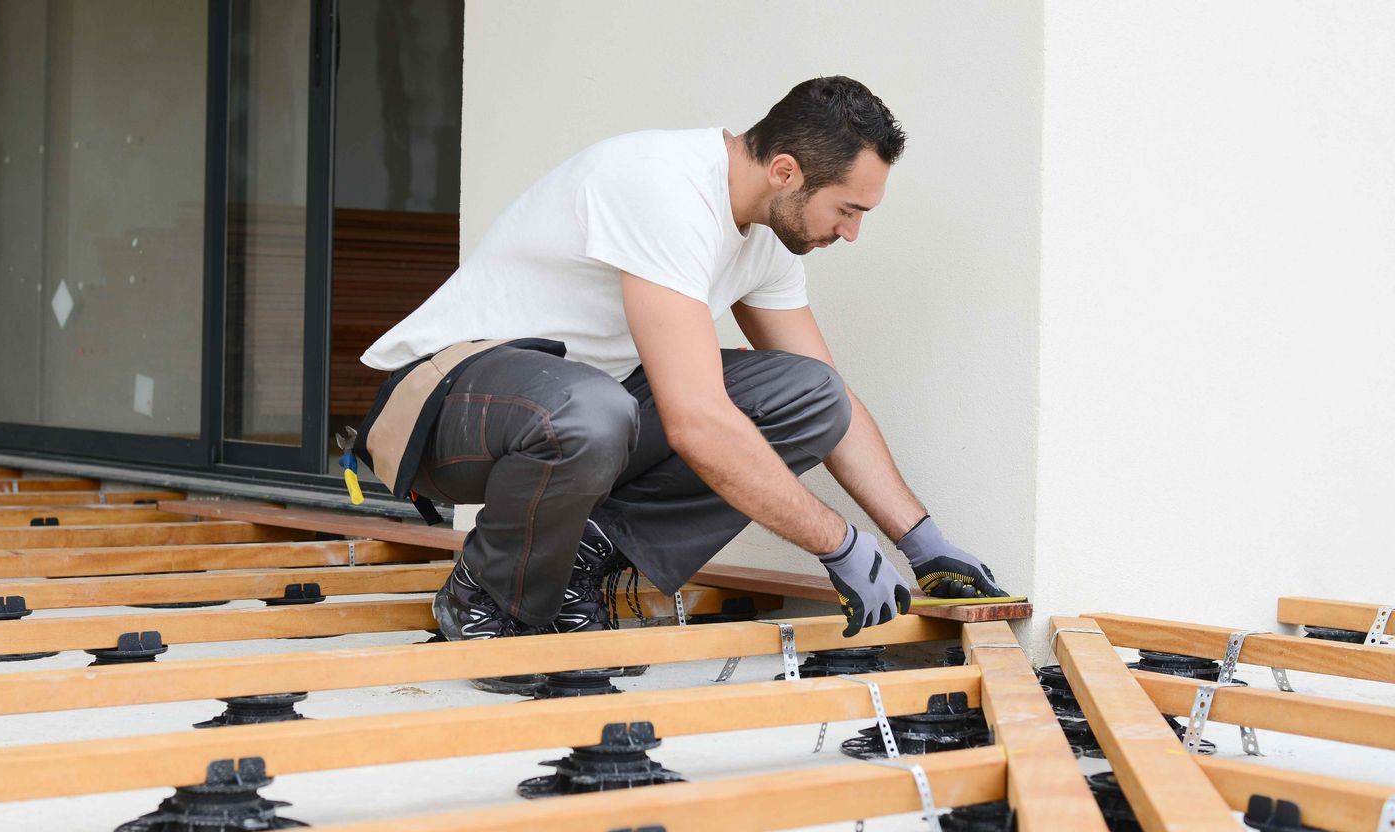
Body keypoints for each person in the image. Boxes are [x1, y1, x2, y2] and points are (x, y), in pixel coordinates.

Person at [358, 76, 1006, 694]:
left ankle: (574, 565)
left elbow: (830, 399)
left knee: (809, 396)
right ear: (785, 171)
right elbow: (697, 422)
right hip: (447, 407)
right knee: (596, 411)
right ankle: (490, 593)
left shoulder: (768, 240)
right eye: (848, 209)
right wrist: (837, 543)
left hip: (579, 412)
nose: (851, 232)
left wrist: (920, 541)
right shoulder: (662, 188)